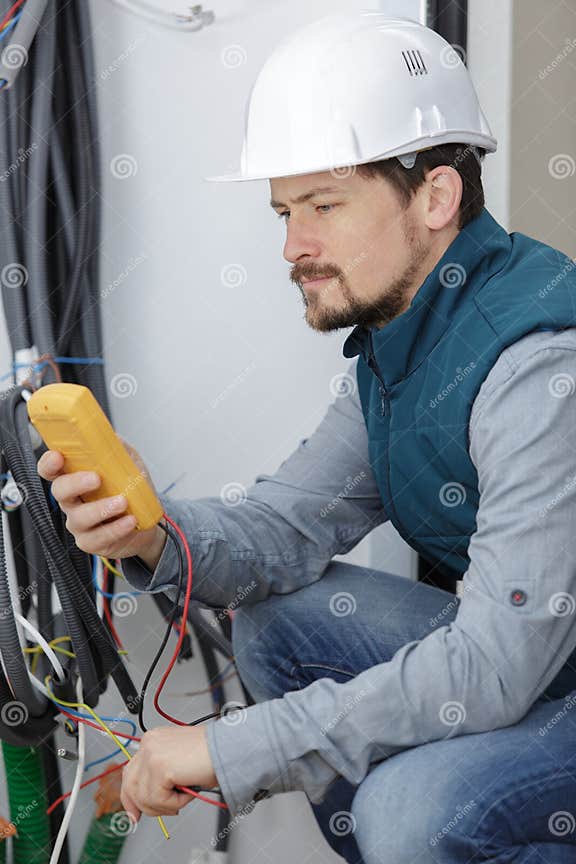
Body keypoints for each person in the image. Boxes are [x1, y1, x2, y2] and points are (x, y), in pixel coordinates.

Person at [37, 12, 576, 864]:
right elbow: (283, 531)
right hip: (544, 659)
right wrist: (148, 526)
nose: (294, 246)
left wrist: (228, 747)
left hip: (531, 664)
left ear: (436, 197)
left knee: (411, 811)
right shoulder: (405, 343)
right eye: (286, 210)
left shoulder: (539, 372)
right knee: (282, 620)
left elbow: (492, 670)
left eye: (324, 205)